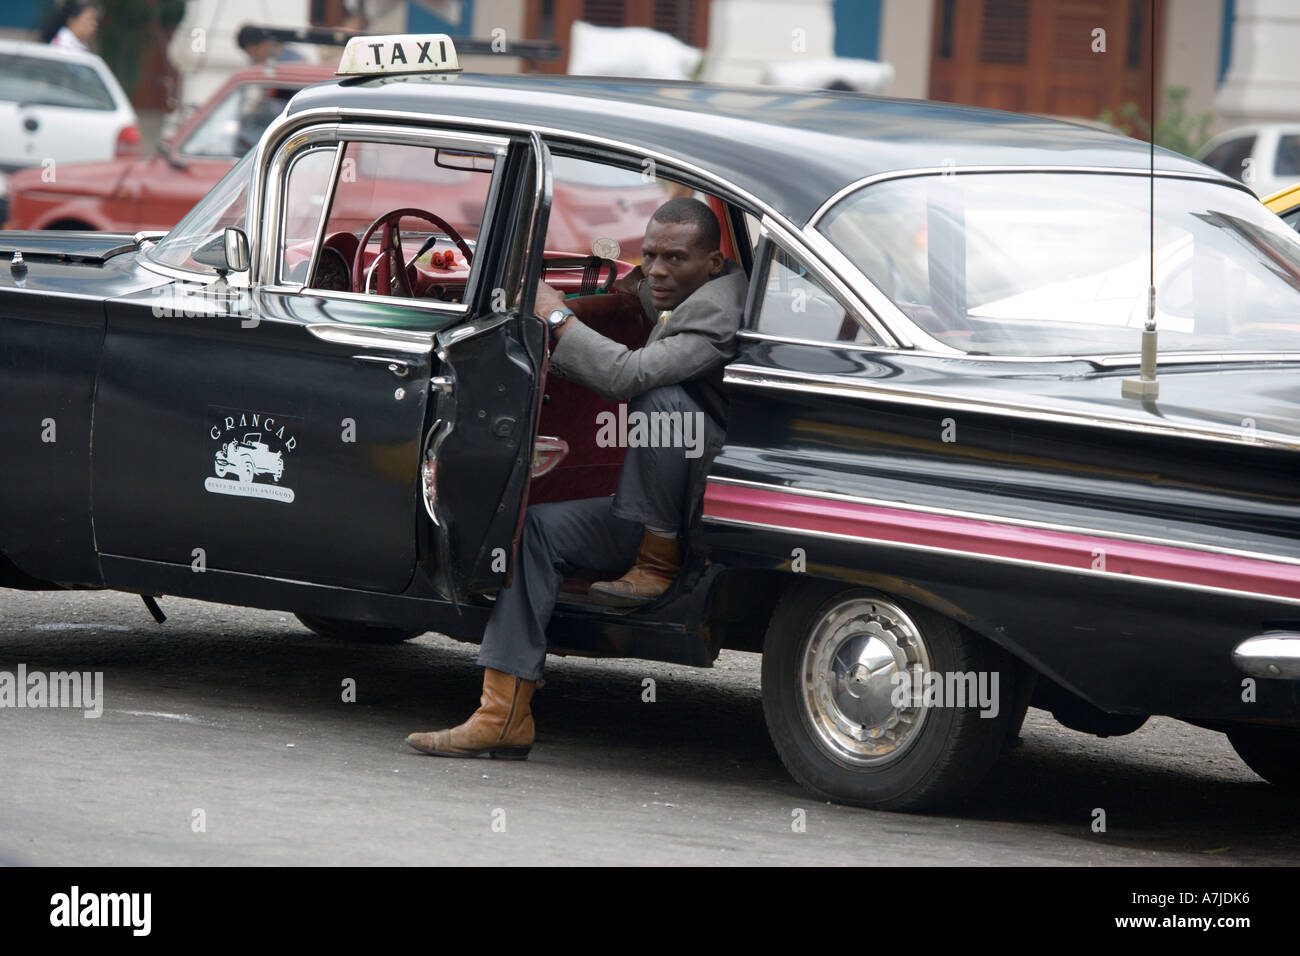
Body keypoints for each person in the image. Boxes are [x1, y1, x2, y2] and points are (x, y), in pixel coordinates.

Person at [406, 197, 747, 760]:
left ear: (713, 263)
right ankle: (503, 713)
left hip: (697, 515)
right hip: (652, 502)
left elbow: (626, 374)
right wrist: (571, 298)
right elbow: (640, 293)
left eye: (675, 259)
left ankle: (656, 564)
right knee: (535, 529)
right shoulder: (690, 285)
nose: (658, 270)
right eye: (651, 255)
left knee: (660, 400)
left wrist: (556, 315)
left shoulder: (718, 308)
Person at [235, 25, 305, 65]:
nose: (255, 58)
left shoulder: (294, 58)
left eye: (256, 52)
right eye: (251, 55)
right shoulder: (254, 63)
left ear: (266, 43)